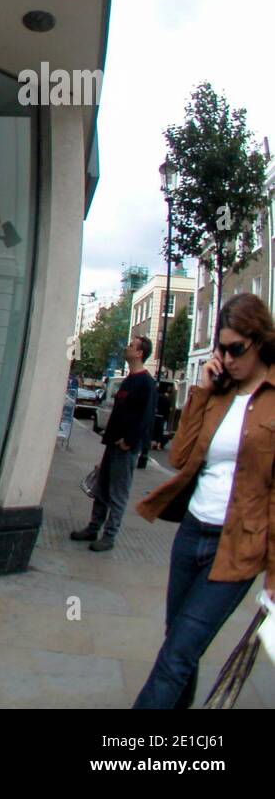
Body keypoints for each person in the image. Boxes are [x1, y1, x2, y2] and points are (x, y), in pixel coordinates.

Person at [133, 293, 275, 709]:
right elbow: (178, 457)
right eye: (222, 349)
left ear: (260, 340)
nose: (228, 358)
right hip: (192, 532)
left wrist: (273, 575)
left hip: (235, 549)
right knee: (178, 646)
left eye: (236, 349)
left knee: (176, 655)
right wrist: (201, 390)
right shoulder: (218, 392)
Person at [71, 335, 156, 552]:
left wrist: (129, 441)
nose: (127, 348)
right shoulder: (128, 380)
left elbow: (146, 417)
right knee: (102, 489)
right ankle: (93, 527)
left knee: (118, 493)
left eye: (131, 346)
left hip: (125, 448)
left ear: (139, 353)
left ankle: (109, 536)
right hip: (113, 445)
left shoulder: (146, 383)